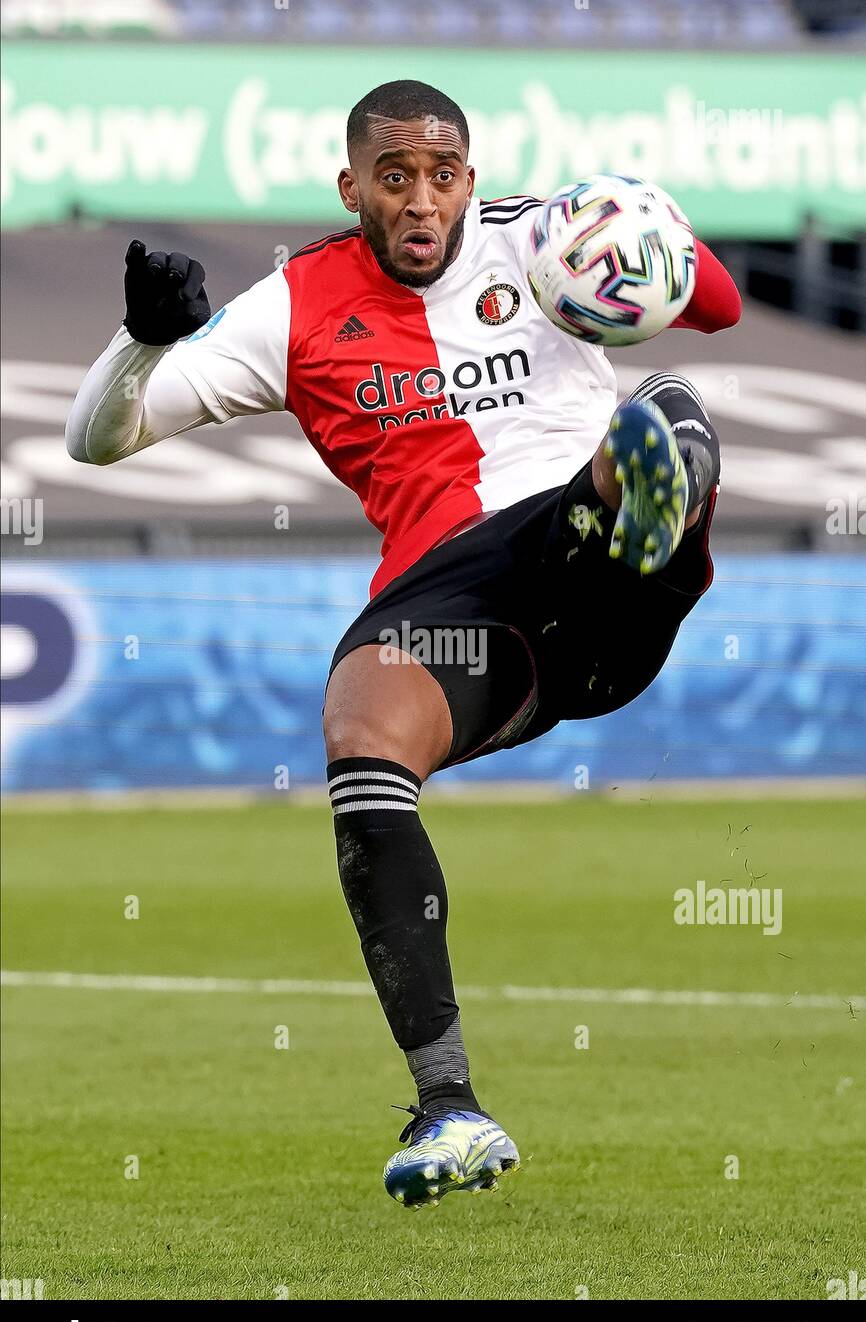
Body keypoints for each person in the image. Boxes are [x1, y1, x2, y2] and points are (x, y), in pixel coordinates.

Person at [66, 79, 741, 1210]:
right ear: (351, 188)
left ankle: (635, 504)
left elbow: (713, 305)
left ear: (469, 181)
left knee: (665, 398)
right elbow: (99, 439)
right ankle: (452, 1108)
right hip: (473, 618)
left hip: (593, 566)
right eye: (394, 178)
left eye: (441, 175)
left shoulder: (547, 239)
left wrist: (645, 234)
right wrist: (139, 338)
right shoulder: (296, 306)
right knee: (359, 724)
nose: (421, 199)